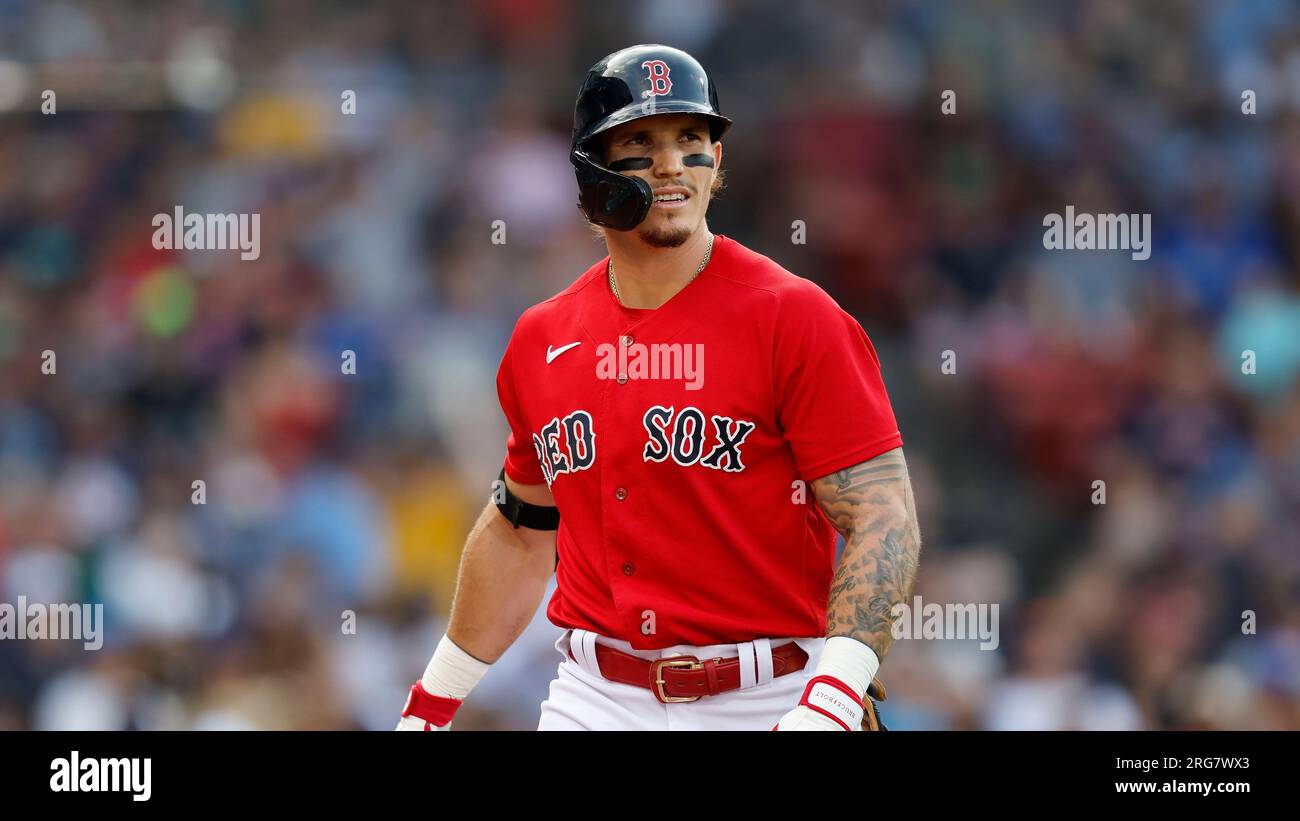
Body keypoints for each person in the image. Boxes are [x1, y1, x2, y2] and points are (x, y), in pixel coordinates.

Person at [397, 44, 921, 731]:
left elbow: (883, 512)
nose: (673, 161)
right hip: (597, 694)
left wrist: (835, 692)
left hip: (772, 689)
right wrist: (432, 704)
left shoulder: (794, 316)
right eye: (641, 141)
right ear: (591, 172)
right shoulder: (541, 337)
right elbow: (523, 531)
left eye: (691, 139)